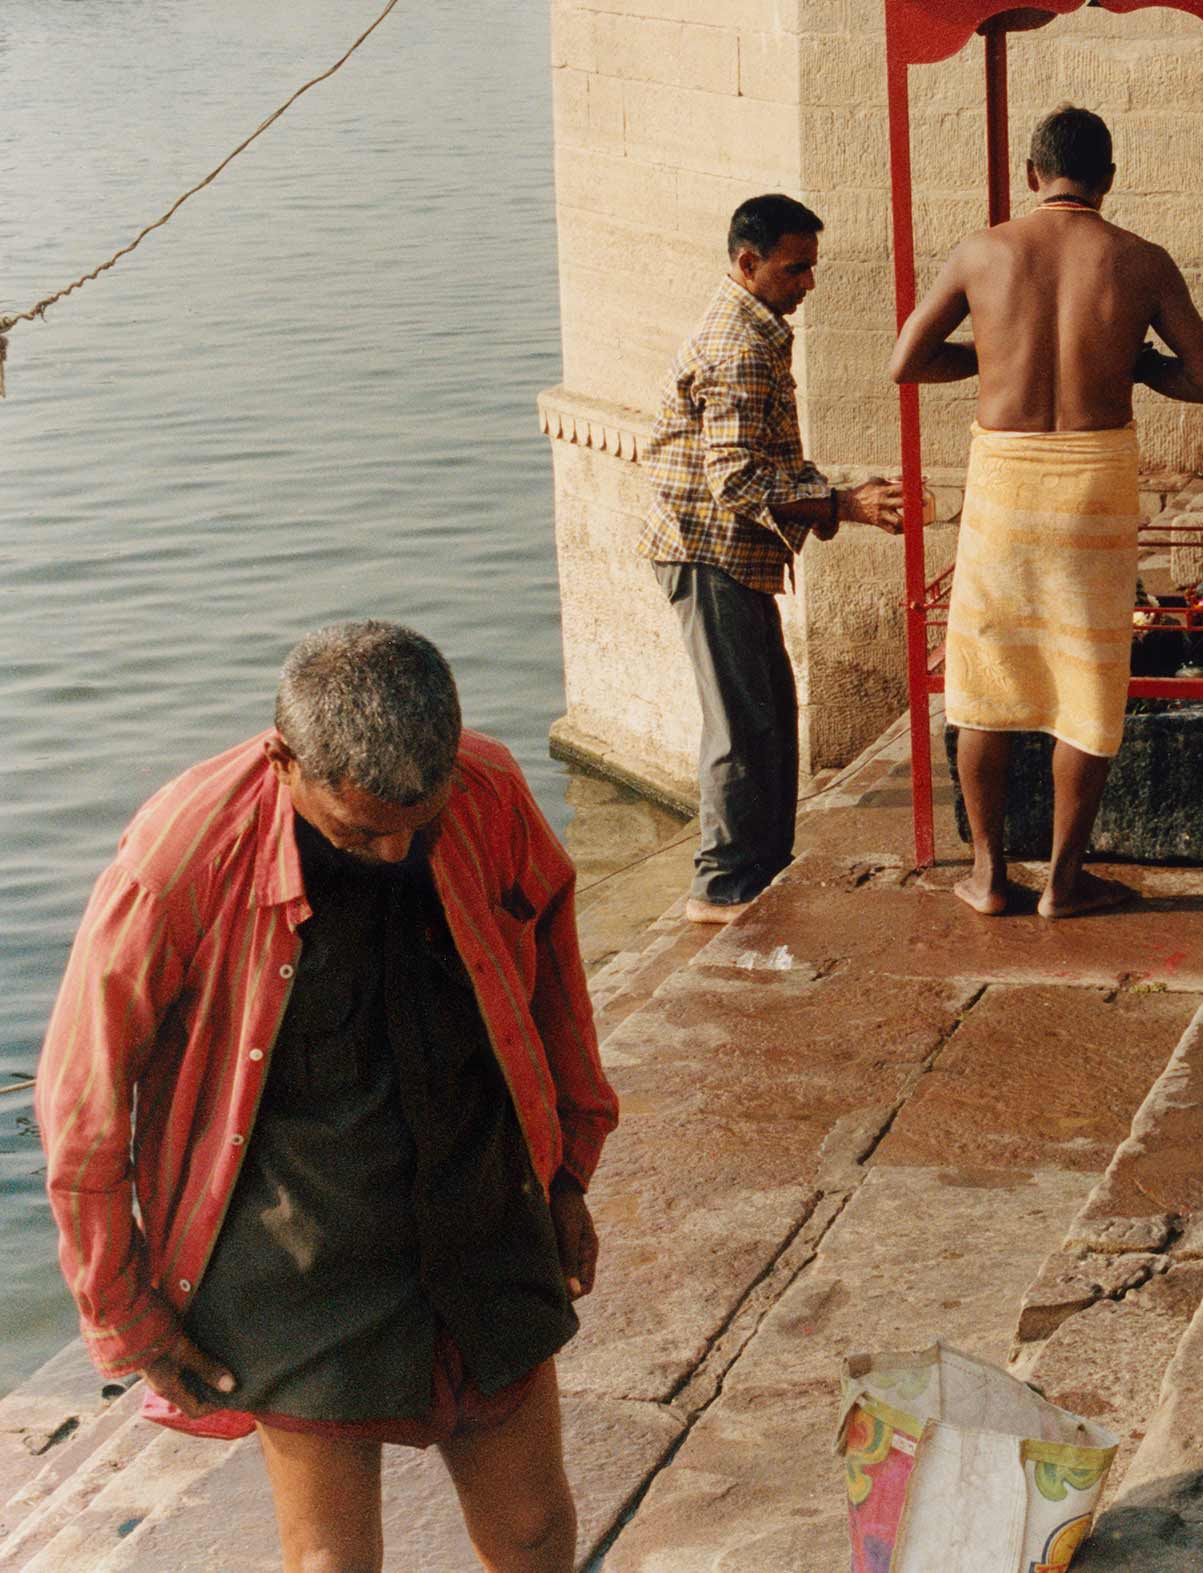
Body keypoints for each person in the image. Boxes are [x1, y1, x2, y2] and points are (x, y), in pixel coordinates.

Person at [36, 622, 620, 1573]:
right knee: (331, 1563)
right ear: (283, 759)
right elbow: (83, 1100)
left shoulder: (488, 788)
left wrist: (565, 1170)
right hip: (295, 1240)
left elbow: (554, 972)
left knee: (533, 1531)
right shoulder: (179, 856)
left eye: (416, 824)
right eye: (360, 830)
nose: (393, 852)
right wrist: (126, 1312)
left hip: (479, 1200)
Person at [888, 105, 1203, 919]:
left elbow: (907, 360)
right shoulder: (1141, 261)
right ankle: (1065, 885)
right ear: (1107, 180)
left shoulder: (983, 250)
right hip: (1094, 483)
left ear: (1032, 176)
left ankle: (988, 875)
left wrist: (991, 354)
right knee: (1087, 677)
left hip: (1004, 482)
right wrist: (1136, 364)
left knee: (985, 680)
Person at [640, 193, 906, 925]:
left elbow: (761, 460)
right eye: (796, 270)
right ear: (747, 262)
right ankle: (723, 885)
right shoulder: (740, 347)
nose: (808, 286)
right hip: (705, 550)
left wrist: (827, 497)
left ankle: (763, 870)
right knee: (738, 722)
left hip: (729, 552)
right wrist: (840, 505)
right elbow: (736, 481)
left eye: (811, 268)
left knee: (771, 715)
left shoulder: (757, 330)